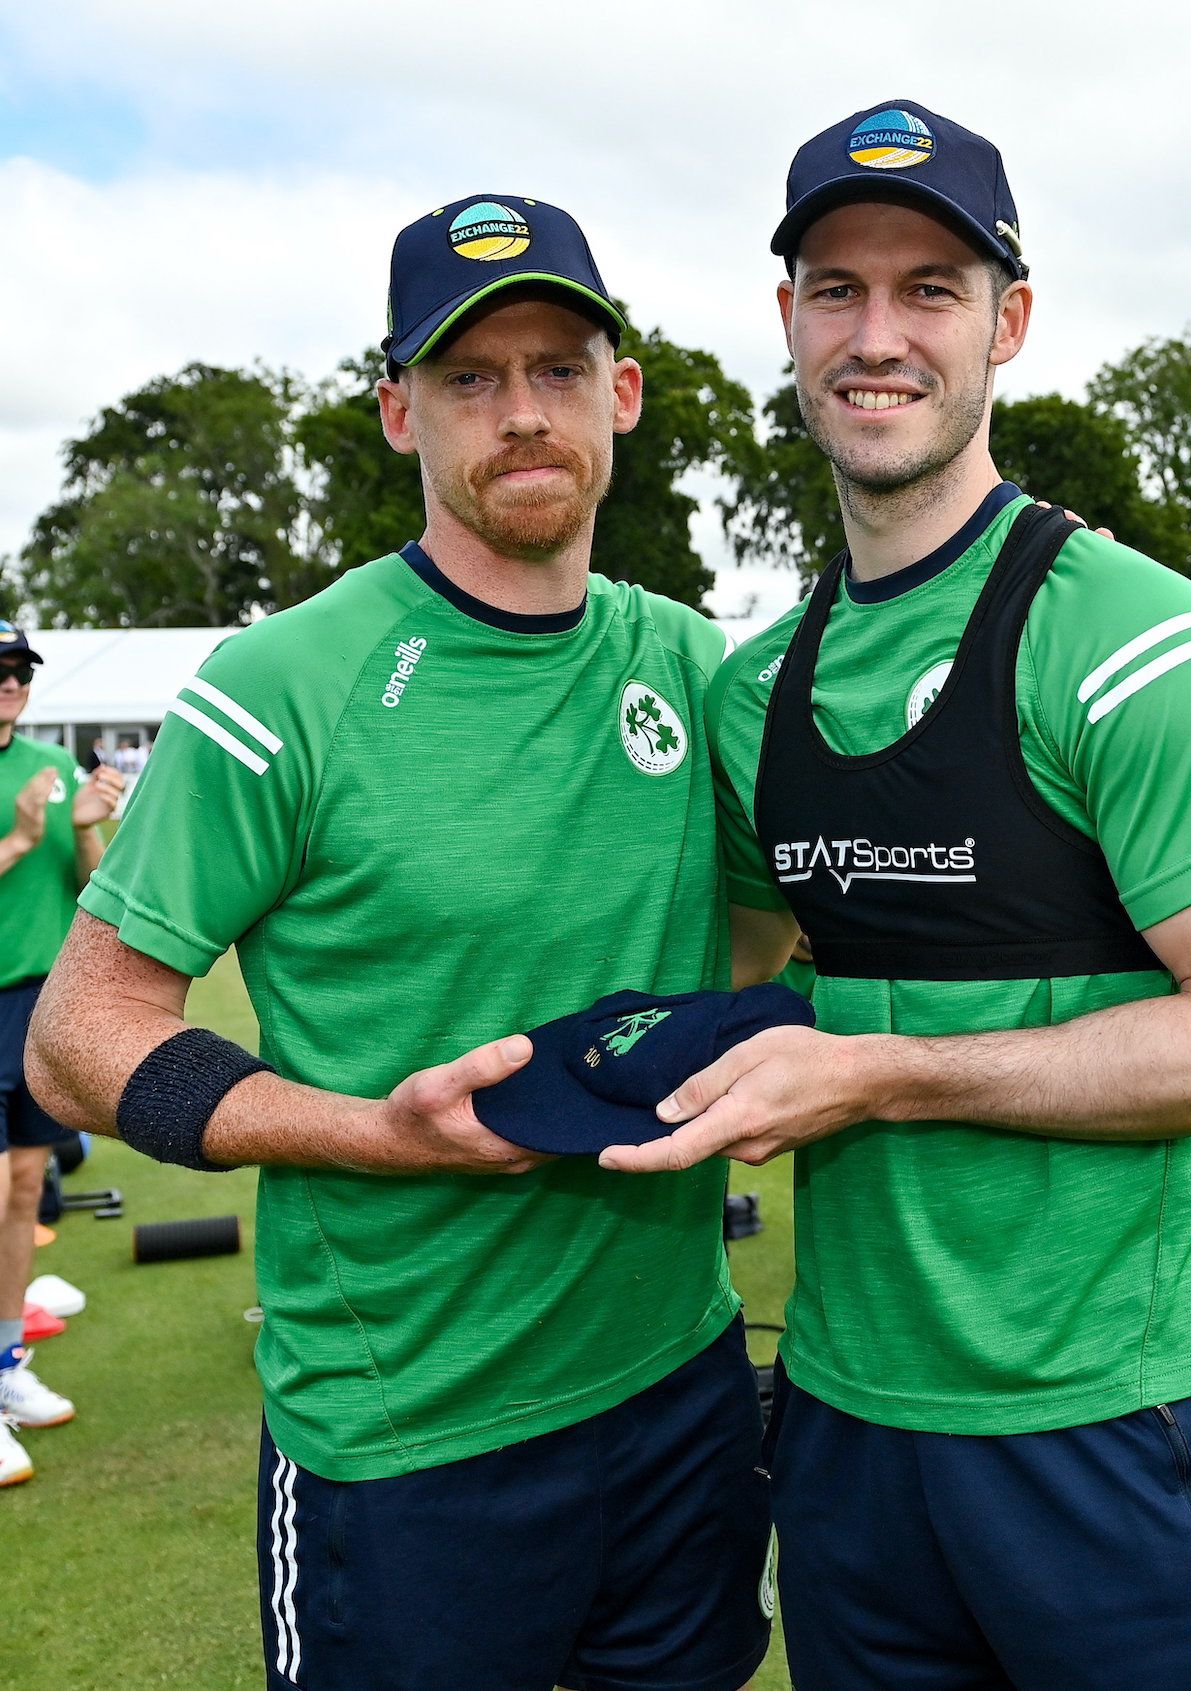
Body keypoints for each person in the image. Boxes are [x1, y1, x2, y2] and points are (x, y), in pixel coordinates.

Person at [604, 102, 1191, 1688]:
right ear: (788, 320)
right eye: (837, 289)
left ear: (1007, 321)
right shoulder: (751, 696)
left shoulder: (1135, 634)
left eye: (930, 287)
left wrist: (879, 1073)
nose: (880, 336)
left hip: (1128, 1421)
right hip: (853, 1426)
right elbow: (722, 992)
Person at [25, 198, 771, 1689]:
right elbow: (76, 1037)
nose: (521, 413)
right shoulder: (286, 679)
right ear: (396, 410)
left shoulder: (699, 662)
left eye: (558, 368)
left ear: (621, 394)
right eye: (470, 379)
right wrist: (374, 1129)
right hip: (406, 1437)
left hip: (679, 1388)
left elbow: (758, 940)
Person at [0, 621, 123, 1487]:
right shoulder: (23, 792)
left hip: (39, 1005)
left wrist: (82, 828)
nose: (10, 683)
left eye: (19, 671)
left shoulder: (49, 760)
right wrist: (15, 838)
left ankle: (7, 1369)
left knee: (22, 1190)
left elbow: (89, 886)